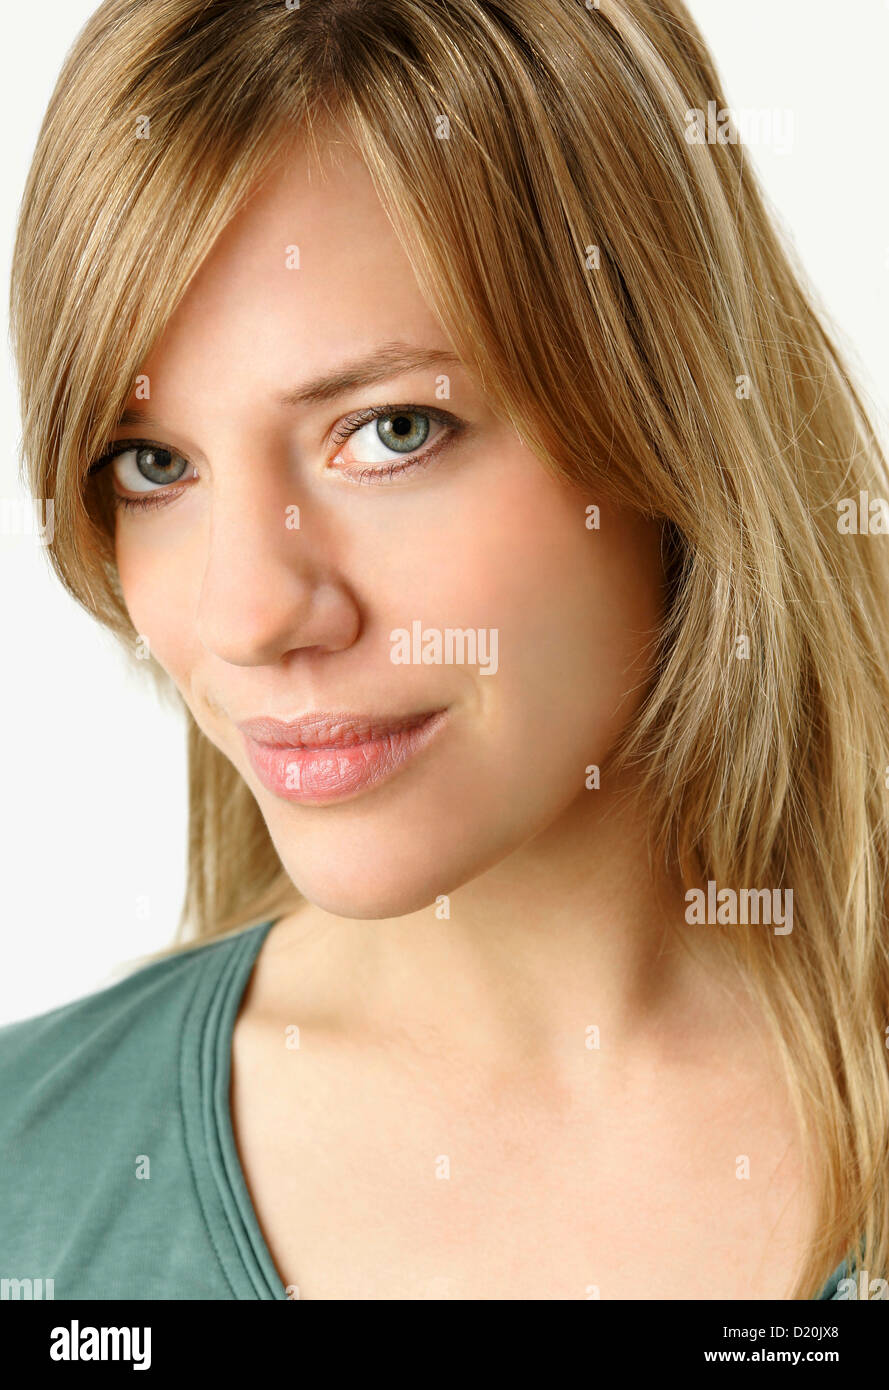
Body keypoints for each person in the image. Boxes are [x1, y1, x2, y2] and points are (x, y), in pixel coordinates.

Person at [2, 0, 886, 1300]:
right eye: (153, 465)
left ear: (669, 423)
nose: (251, 615)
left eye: (392, 431)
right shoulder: (34, 1185)